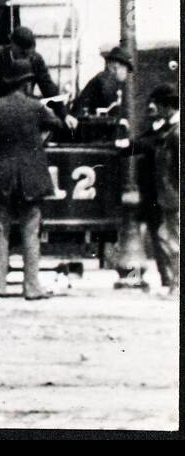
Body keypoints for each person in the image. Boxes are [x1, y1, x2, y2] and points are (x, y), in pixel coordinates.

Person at [0, 59, 64, 299]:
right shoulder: (36, 107)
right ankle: (31, 287)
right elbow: (58, 124)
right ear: (27, 83)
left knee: (0, 231)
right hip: (31, 176)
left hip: (1, 173)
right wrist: (40, 137)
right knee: (30, 231)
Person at [129, 83, 180, 295]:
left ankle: (176, 286)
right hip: (168, 196)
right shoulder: (168, 129)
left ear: (167, 107)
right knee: (167, 237)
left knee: (174, 240)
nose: (154, 109)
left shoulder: (175, 133)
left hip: (173, 196)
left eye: (157, 105)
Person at [0, 26, 70, 127]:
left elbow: (48, 87)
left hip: (22, 113)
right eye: (22, 53)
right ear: (12, 44)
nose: (25, 57)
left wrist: (64, 115)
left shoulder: (35, 59)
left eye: (29, 53)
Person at [73, 45, 134, 118]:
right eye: (125, 69)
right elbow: (112, 107)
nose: (126, 73)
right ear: (115, 68)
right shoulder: (104, 79)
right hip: (97, 124)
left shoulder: (117, 83)